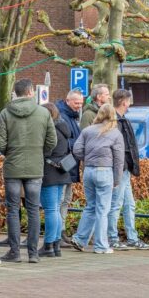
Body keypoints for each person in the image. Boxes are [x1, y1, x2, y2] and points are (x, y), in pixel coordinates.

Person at [0, 78, 57, 263]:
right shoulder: (44, 113)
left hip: (13, 167)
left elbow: (0, 143)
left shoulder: (6, 114)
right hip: (35, 167)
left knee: (13, 210)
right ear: (31, 92)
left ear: (16, 93)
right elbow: (52, 141)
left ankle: (14, 252)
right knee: (33, 210)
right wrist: (39, 153)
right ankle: (33, 253)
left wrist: (11, 153)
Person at [71, 103, 124, 254]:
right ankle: (101, 245)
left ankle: (80, 239)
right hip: (105, 171)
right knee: (102, 210)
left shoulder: (88, 130)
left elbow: (76, 149)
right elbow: (119, 160)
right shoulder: (115, 133)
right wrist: (117, 180)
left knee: (91, 206)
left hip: (88, 171)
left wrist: (87, 159)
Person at [109, 89, 149, 250]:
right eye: (129, 101)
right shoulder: (116, 121)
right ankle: (112, 238)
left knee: (129, 204)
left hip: (125, 168)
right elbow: (119, 147)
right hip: (121, 168)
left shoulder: (122, 120)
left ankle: (132, 237)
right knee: (117, 204)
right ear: (124, 102)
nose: (130, 104)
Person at [40, 103, 73, 257]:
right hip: (62, 172)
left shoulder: (49, 130)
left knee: (51, 209)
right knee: (57, 208)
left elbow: (45, 151)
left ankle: (48, 245)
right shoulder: (64, 128)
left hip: (50, 172)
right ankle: (56, 244)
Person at [56, 90, 83, 247]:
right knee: (60, 200)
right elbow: (63, 141)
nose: (79, 106)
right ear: (67, 101)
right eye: (76, 103)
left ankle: (62, 230)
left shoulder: (72, 116)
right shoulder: (63, 116)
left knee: (66, 200)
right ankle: (57, 234)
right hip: (65, 164)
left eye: (80, 103)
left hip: (71, 164)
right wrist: (79, 145)